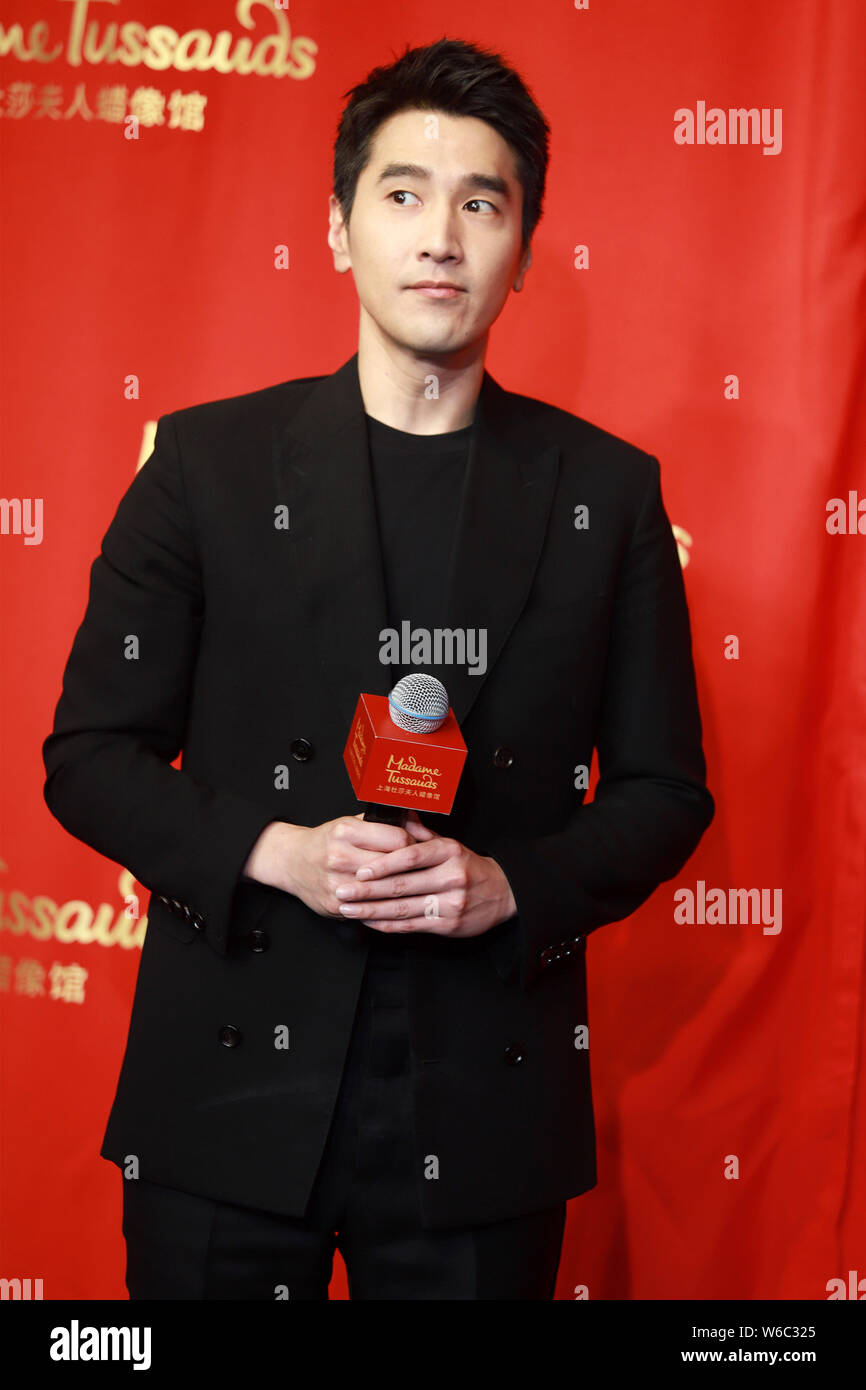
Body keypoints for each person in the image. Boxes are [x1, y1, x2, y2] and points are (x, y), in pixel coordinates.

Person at [42, 36, 714, 1300]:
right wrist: (278, 852)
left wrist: (508, 882)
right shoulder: (204, 469)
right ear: (341, 231)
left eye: (481, 201)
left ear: (522, 249)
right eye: (402, 194)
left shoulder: (605, 496)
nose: (441, 236)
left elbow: (663, 791)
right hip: (226, 1099)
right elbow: (88, 759)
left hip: (481, 1118)